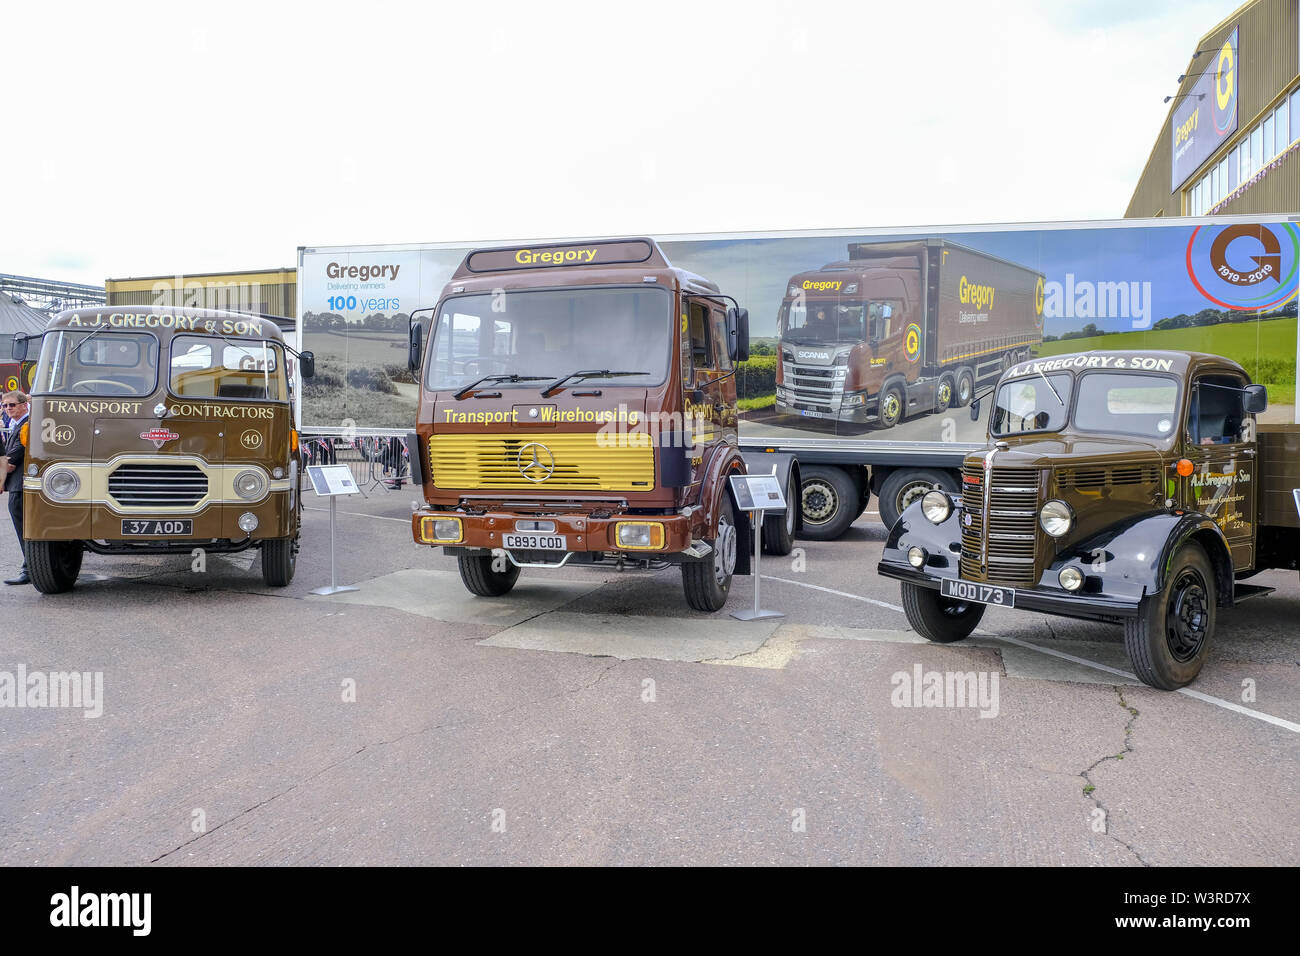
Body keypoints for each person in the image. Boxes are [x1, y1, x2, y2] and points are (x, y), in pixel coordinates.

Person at [2, 391, 30, 585]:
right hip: (16, 485)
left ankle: (29, 569)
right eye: (5, 406)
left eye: (12, 405)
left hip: (20, 486)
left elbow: (11, 459)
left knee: (24, 531)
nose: (8, 408)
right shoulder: (17, 425)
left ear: (24, 405)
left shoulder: (26, 426)